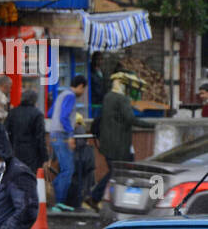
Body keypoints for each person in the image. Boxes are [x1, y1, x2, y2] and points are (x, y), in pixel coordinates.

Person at [86, 73, 155, 211]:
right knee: (118, 172)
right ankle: (96, 196)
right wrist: (152, 125)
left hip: (107, 144)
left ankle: (103, 197)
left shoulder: (108, 97)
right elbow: (130, 119)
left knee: (117, 171)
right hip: (120, 145)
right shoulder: (122, 99)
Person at [45, 76, 87, 211]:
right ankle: (58, 201)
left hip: (54, 135)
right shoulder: (71, 96)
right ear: (80, 86)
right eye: (84, 88)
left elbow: (51, 112)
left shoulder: (62, 94)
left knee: (63, 169)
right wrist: (70, 135)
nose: (83, 92)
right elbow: (64, 116)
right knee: (68, 170)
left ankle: (54, 198)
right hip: (62, 135)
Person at [6, 89, 50, 174]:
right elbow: (40, 138)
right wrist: (45, 158)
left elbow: (6, 131)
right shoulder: (37, 114)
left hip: (15, 151)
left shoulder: (13, 112)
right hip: (32, 155)